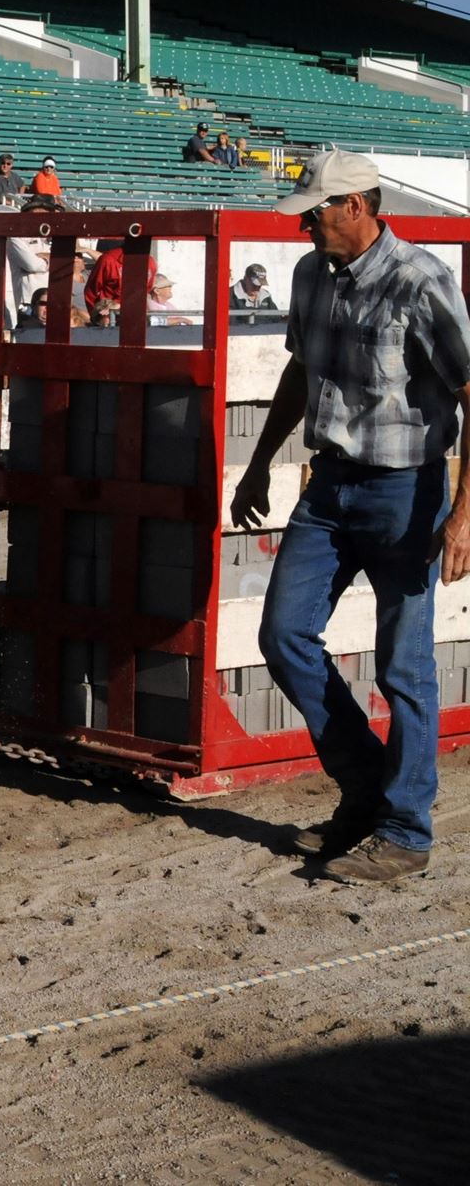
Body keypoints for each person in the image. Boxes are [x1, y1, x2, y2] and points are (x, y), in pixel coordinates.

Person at [230, 150, 470, 883]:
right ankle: (369, 788)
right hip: (331, 485)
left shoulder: (421, 280)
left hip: (406, 491)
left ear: (358, 206)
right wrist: (258, 459)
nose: (306, 224)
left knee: (405, 664)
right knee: (282, 633)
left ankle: (405, 828)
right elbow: (300, 370)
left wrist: (464, 515)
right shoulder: (310, 277)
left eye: (316, 211)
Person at [82, 239, 156, 320]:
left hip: (135, 317)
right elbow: (91, 291)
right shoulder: (108, 260)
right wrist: (96, 318)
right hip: (108, 318)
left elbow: (146, 290)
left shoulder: (150, 262)